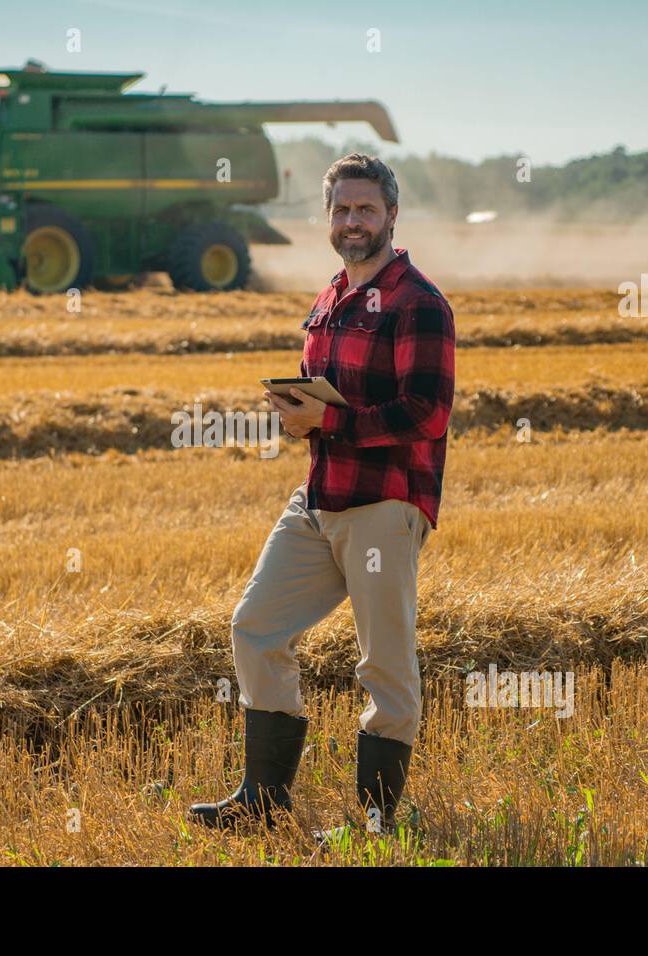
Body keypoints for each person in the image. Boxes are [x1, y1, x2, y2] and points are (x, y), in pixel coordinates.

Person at [188, 153, 456, 844]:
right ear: (328, 217)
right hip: (318, 498)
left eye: (365, 209)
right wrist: (297, 410)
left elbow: (427, 412)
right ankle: (263, 801)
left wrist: (328, 420)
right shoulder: (329, 296)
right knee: (254, 627)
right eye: (341, 210)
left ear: (391, 215)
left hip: (384, 505)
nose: (352, 221)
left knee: (384, 664)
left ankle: (376, 822)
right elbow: (325, 397)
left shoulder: (417, 302)